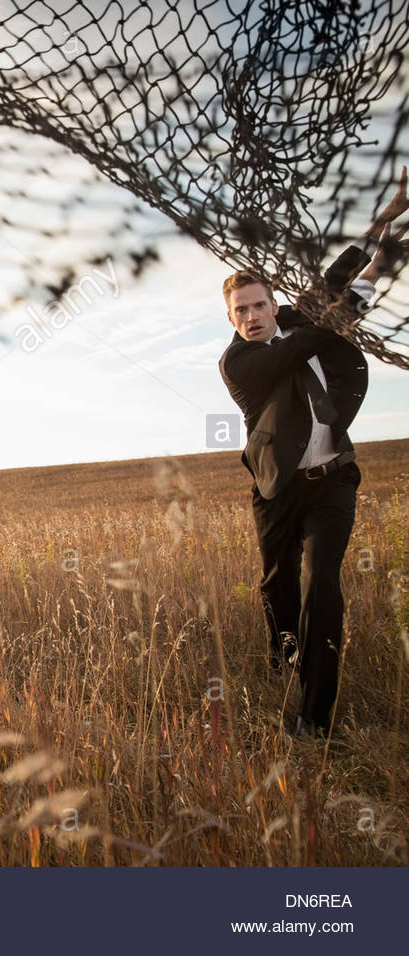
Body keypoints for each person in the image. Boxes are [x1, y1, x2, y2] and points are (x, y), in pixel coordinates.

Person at [218, 167, 407, 737]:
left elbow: (336, 279)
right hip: (277, 488)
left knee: (321, 585)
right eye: (239, 312)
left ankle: (313, 719)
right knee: (278, 586)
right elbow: (325, 324)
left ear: (275, 306)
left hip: (332, 482)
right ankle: (283, 657)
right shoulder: (241, 363)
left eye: (258, 306)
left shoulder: (301, 320)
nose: (250, 318)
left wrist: (386, 224)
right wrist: (370, 283)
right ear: (231, 320)